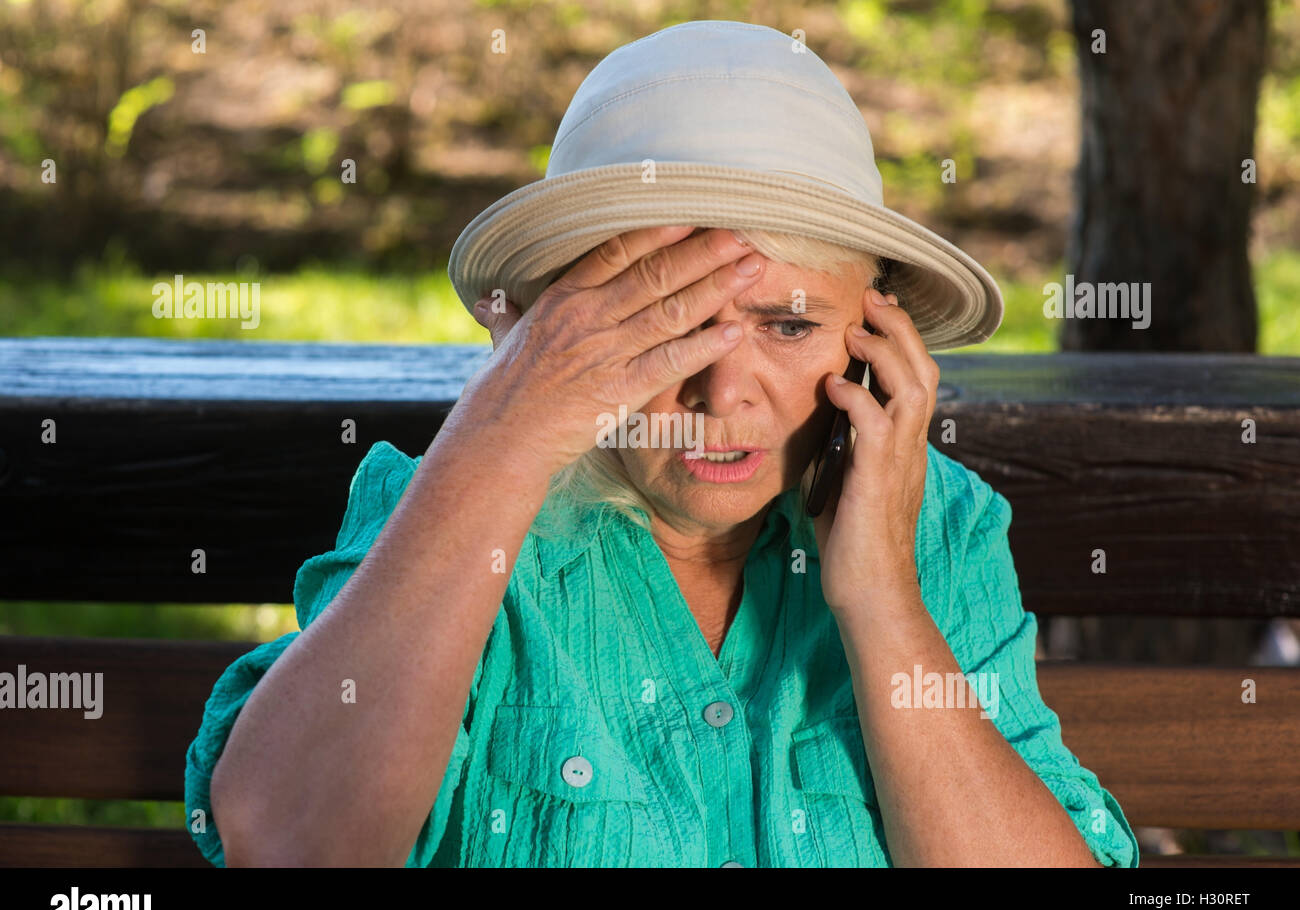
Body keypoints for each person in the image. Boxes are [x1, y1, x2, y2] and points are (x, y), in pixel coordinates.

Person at [186, 19, 1138, 867]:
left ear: (876, 334)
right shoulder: (455, 506)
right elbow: (288, 843)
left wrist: (883, 599)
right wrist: (502, 435)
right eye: (663, 326)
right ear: (560, 334)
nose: (723, 391)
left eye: (790, 326)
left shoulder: (941, 529)